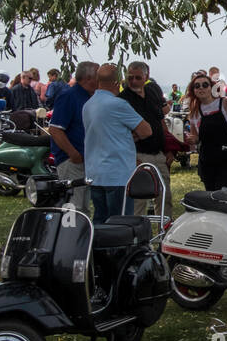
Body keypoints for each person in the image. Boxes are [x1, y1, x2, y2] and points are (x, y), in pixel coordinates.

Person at [82, 63, 151, 224]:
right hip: (117, 174)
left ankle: (99, 249)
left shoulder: (88, 105)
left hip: (95, 173)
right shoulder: (118, 104)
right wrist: (129, 136)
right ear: (117, 82)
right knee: (120, 223)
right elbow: (146, 130)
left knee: (100, 218)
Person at [120, 61, 172, 220]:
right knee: (138, 200)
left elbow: (161, 121)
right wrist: (131, 156)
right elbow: (121, 132)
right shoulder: (123, 99)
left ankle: (165, 233)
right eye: (130, 78)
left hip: (158, 153)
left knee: (165, 196)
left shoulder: (153, 91)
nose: (133, 81)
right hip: (138, 154)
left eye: (137, 77)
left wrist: (169, 148)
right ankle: (136, 237)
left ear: (146, 77)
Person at [47, 62, 98, 211]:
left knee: (82, 206)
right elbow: (55, 129)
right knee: (74, 207)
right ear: (88, 78)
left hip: (84, 160)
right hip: (71, 161)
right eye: (98, 76)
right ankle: (70, 233)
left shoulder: (88, 97)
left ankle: (80, 233)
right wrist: (73, 154)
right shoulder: (69, 96)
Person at [185, 71, 227, 191]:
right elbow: (195, 137)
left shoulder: (226, 103)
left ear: (212, 87)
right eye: (197, 86)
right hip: (207, 162)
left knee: (225, 196)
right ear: (193, 90)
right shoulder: (194, 112)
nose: (201, 88)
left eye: (205, 85)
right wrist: (193, 139)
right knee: (211, 196)